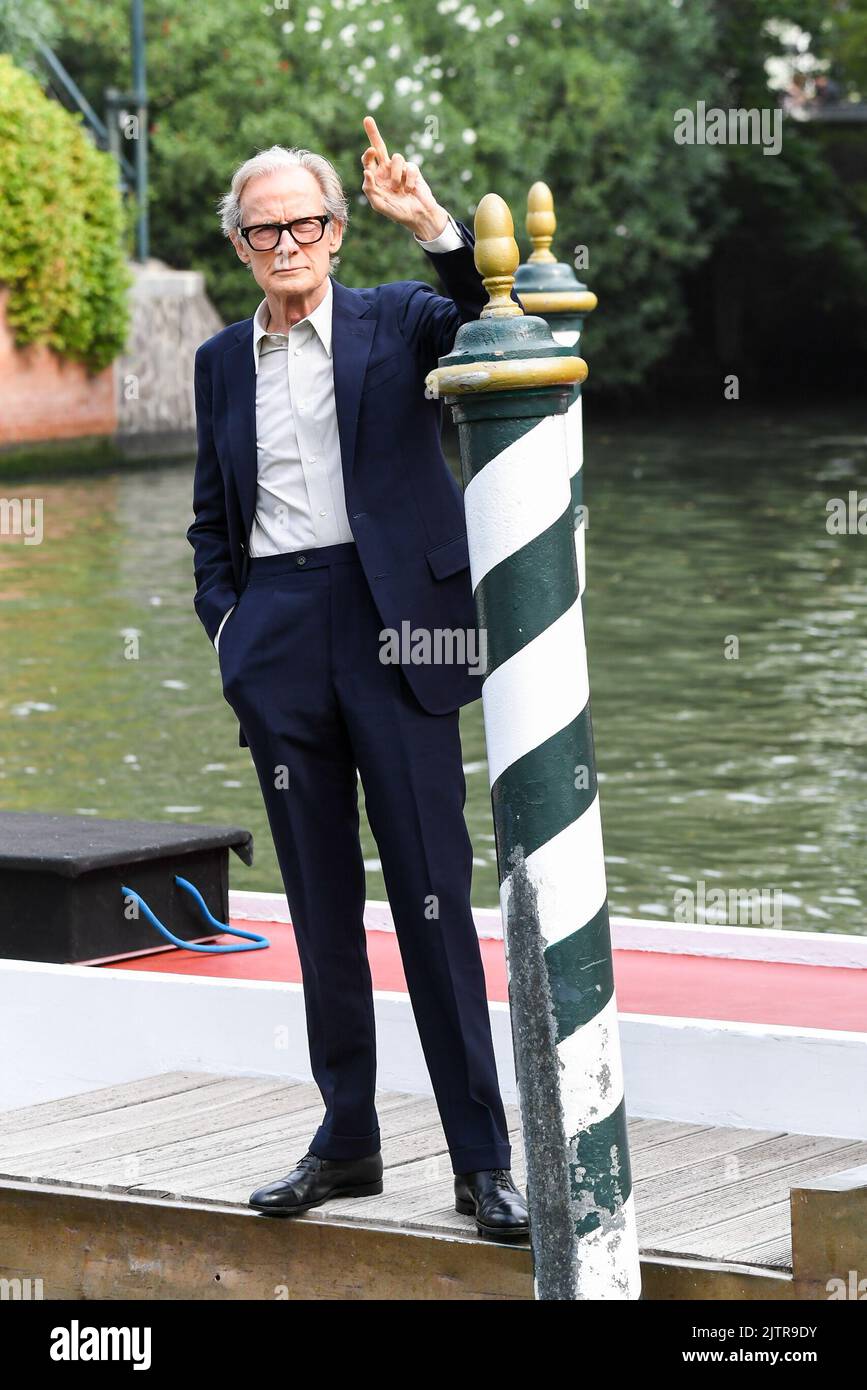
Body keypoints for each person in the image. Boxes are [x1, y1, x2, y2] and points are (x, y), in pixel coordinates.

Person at [186, 116, 529, 1240]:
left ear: (334, 233)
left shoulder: (398, 319)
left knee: (431, 893)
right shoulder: (218, 364)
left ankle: (482, 1159)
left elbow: (494, 321)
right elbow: (209, 523)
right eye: (262, 229)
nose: (284, 243)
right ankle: (348, 1137)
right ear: (241, 246)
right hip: (278, 627)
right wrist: (227, 633)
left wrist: (429, 220)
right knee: (320, 902)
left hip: (401, 628)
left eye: (303, 224)